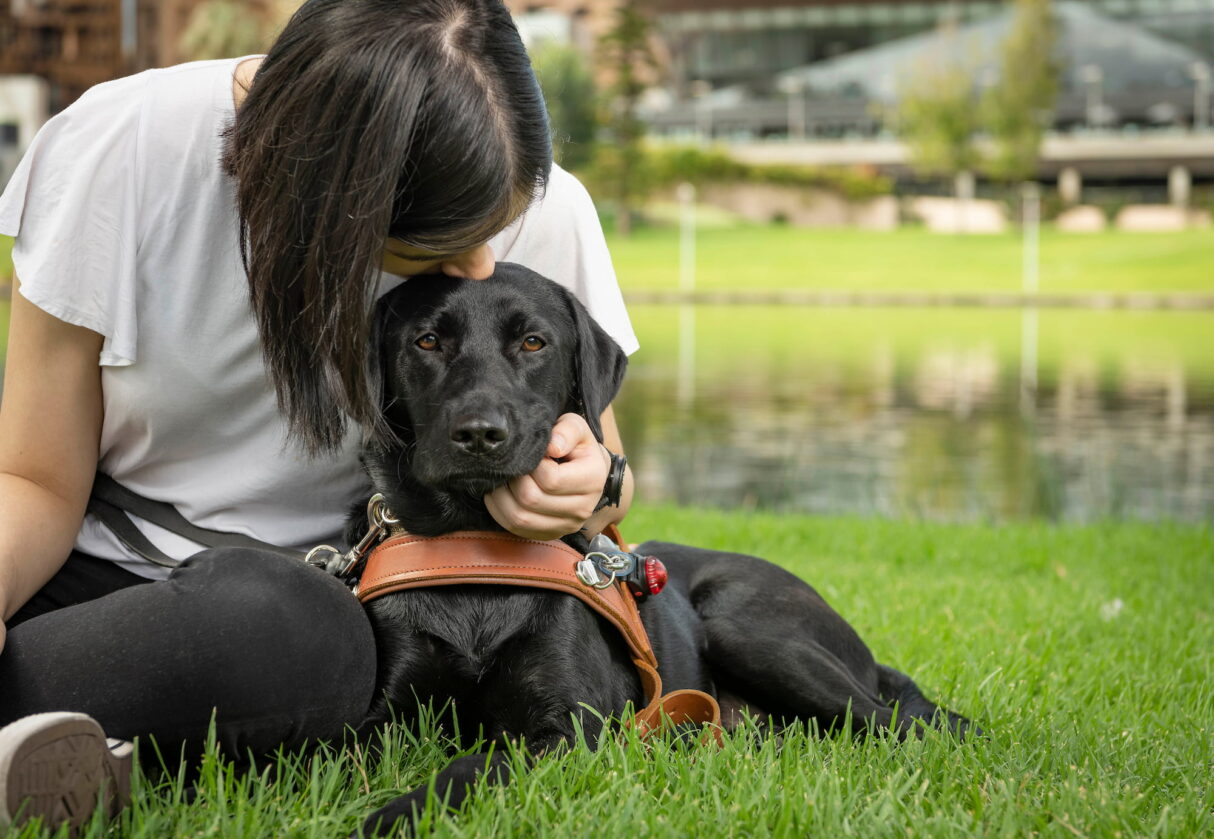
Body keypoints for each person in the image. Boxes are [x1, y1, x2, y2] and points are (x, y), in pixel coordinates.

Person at [0, 0, 637, 832]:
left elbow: (609, 476)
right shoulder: (120, 147)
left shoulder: (541, 206)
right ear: (327, 196)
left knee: (296, 630)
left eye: (496, 227)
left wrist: (586, 485)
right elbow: (34, 478)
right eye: (436, 242)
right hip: (101, 585)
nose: (480, 264)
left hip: (316, 608)